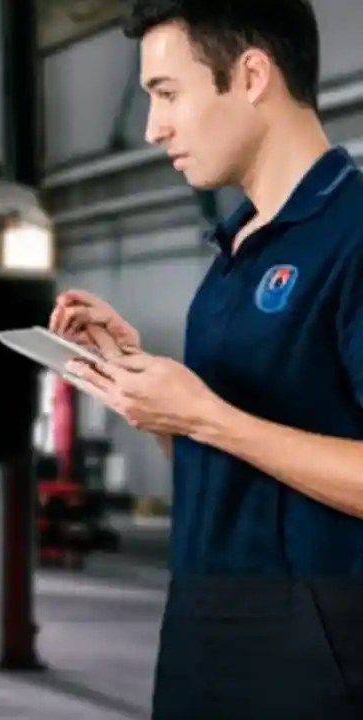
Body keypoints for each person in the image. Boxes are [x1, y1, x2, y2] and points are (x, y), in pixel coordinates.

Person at [50, 1, 363, 718]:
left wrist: (210, 417)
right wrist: (143, 386)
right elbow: (221, 451)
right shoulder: (233, 254)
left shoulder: (353, 239)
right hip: (205, 631)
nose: (154, 128)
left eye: (167, 94)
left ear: (252, 75)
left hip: (318, 659)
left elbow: (225, 427)